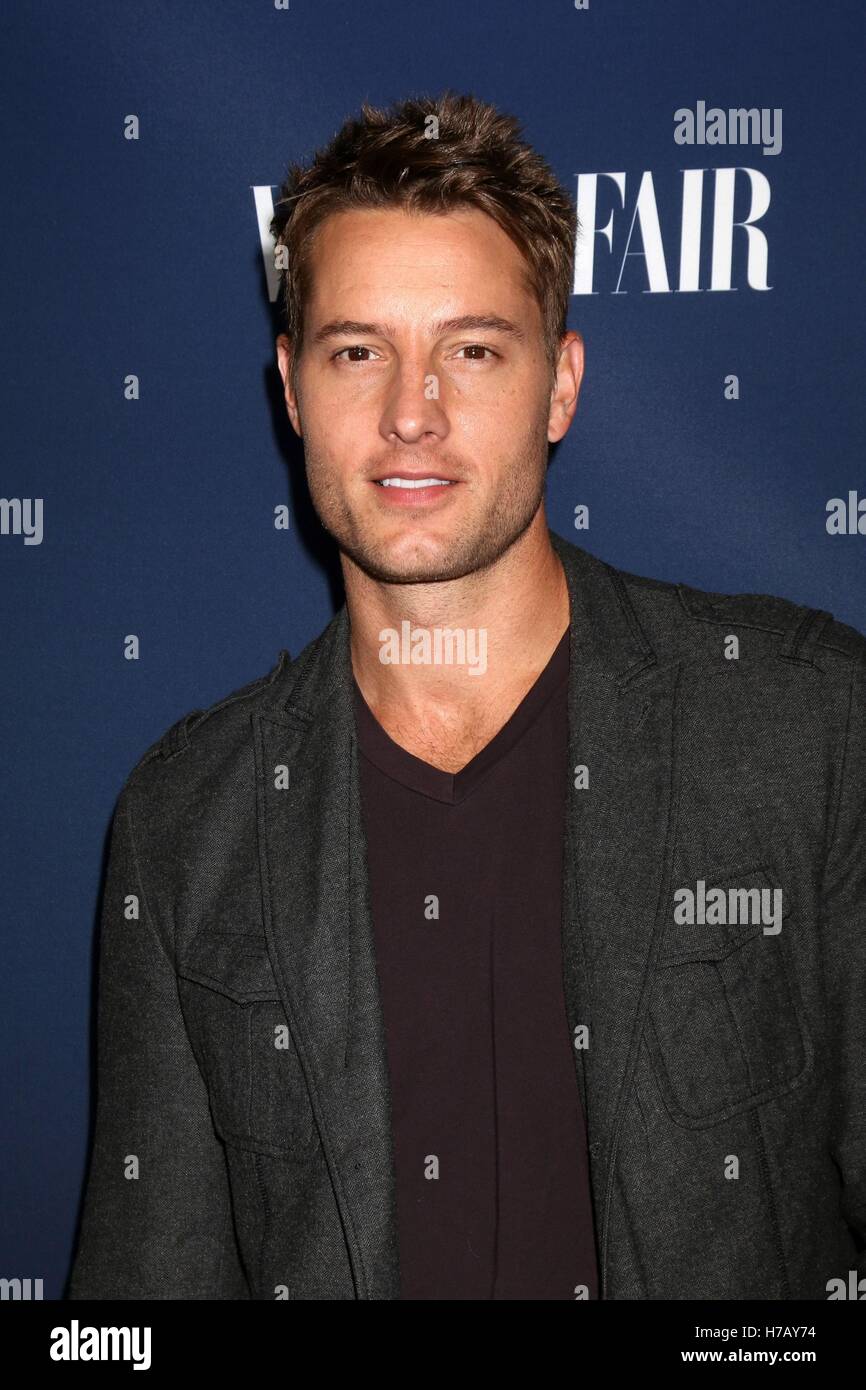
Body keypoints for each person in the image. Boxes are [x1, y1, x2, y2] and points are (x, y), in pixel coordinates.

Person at [68, 90, 866, 1300]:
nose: (410, 413)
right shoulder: (189, 824)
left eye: (472, 350)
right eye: (357, 351)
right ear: (289, 389)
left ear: (560, 385)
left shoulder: (807, 729)